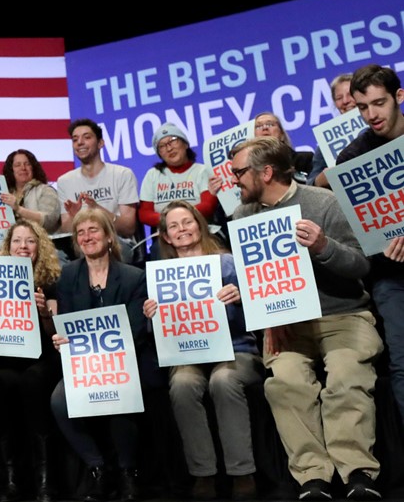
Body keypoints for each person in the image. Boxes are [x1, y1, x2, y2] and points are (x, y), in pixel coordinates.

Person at [228, 137, 381, 501]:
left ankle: (358, 472)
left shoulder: (323, 203)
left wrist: (324, 246)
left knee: (346, 374)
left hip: (342, 314)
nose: (234, 180)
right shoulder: (241, 217)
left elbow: (361, 264)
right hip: (286, 325)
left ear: (265, 172)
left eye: (239, 172)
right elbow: (254, 279)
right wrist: (251, 303)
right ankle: (314, 477)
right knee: (285, 382)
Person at [141, 202, 261, 501]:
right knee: (182, 385)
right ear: (166, 237)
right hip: (188, 355)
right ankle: (203, 474)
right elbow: (156, 335)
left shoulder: (228, 263)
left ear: (199, 225)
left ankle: (242, 473)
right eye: (174, 226)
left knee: (223, 381)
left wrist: (241, 297)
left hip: (235, 349)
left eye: (187, 222)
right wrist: (151, 315)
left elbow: (260, 311)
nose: (182, 230)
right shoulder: (159, 275)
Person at [49, 208, 152, 502]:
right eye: (81, 232)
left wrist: (106, 356)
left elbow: (134, 330)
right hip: (83, 364)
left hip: (124, 360)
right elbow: (67, 322)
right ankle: (98, 468)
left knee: (119, 392)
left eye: (93, 230)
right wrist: (61, 340)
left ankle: (127, 472)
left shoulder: (133, 277)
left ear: (108, 236)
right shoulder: (68, 276)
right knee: (59, 399)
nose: (86, 237)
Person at [0, 220, 61, 502]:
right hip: (6, 360)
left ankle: (45, 479)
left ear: (40, 247)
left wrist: (46, 313)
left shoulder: (51, 281)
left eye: (30, 241)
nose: (23, 246)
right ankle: (11, 477)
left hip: (42, 359)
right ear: (8, 247)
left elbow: (56, 337)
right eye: (17, 241)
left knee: (32, 383)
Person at [336, 64, 404, 422]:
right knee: (402, 362)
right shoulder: (352, 158)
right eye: (363, 107)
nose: (371, 115)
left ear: (399, 96)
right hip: (390, 274)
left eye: (379, 103)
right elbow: (353, 230)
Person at [57, 119, 141, 263]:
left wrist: (97, 209)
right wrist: (74, 217)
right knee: (54, 257)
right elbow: (66, 229)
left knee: (94, 248)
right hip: (81, 242)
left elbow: (128, 227)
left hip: (117, 241)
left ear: (100, 143)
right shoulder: (64, 181)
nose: (80, 142)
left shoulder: (122, 174)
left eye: (87, 137)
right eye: (75, 139)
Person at [136, 123, 217, 259]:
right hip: (167, 236)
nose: (169, 148)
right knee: (157, 249)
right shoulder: (153, 175)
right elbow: (144, 213)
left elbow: (208, 206)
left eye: (173, 140)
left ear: (185, 144)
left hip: (200, 232)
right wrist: (170, 223)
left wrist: (182, 220)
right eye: (162, 146)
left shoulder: (202, 170)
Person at [309, 73, 356, 188]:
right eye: (339, 98)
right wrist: (321, 180)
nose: (345, 101)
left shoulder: (381, 125)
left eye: (350, 94)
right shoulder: (326, 143)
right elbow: (310, 184)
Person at [0, 149, 60, 234]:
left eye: (27, 164)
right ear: (11, 170)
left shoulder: (46, 190)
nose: (23, 168)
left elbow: (49, 221)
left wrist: (19, 209)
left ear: (33, 168)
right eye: (17, 165)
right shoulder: (4, 195)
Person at [252, 112, 313, 184]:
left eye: (270, 124)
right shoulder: (249, 168)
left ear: (282, 135)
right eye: (258, 126)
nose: (265, 128)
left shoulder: (304, 159)